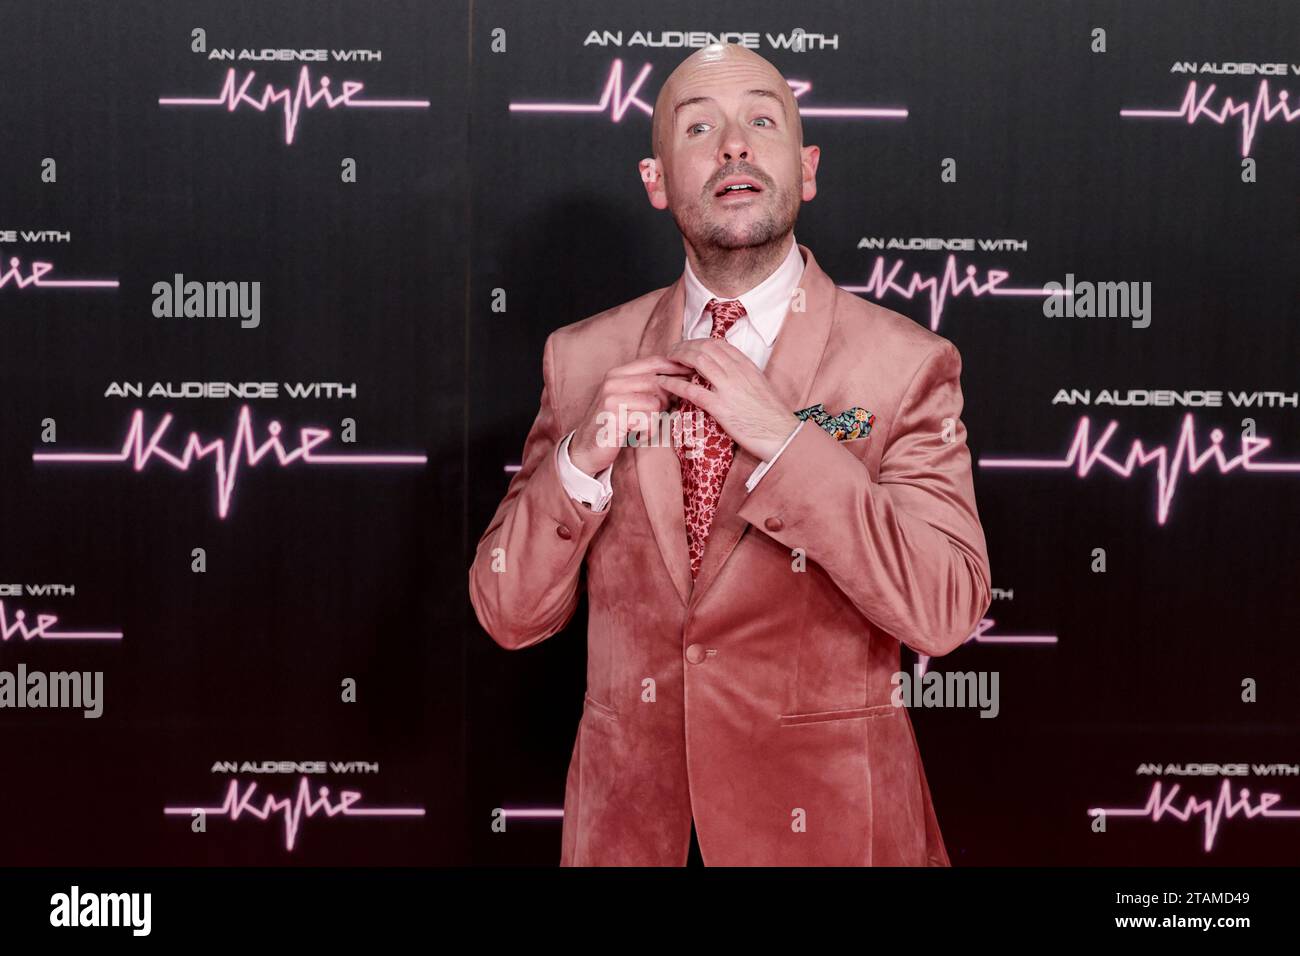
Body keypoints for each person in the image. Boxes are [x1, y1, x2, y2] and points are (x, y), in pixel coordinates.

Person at [469, 42, 991, 866]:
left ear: (807, 167)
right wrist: (580, 458)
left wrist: (787, 442)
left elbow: (947, 606)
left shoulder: (907, 363)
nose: (734, 145)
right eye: (700, 128)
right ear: (657, 181)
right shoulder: (582, 358)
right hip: (632, 838)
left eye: (761, 120)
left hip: (834, 841)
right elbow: (507, 611)